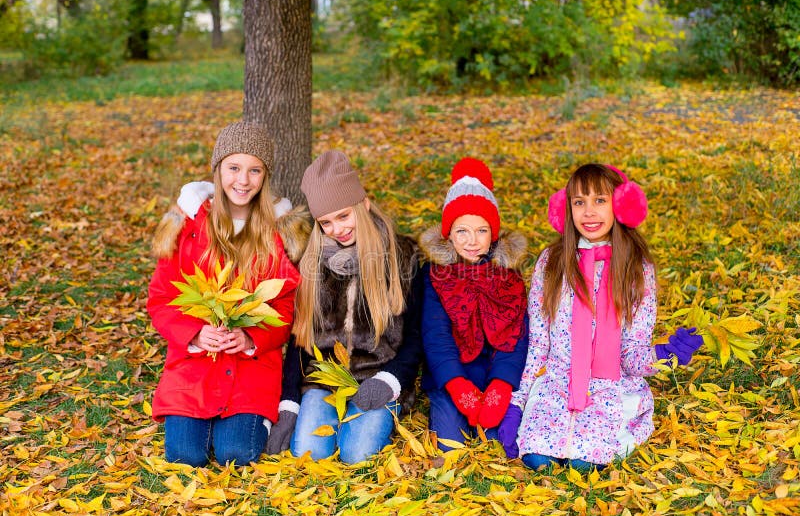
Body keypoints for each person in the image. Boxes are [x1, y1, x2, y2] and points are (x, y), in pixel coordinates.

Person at [498, 163, 703, 471]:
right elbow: (539, 343)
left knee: (584, 464)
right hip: (556, 383)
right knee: (538, 460)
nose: (589, 212)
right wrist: (518, 402)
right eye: (579, 202)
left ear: (621, 205)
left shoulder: (637, 269)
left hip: (611, 388)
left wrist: (665, 355)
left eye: (600, 201)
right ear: (566, 209)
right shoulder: (552, 262)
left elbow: (632, 355)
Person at [147, 122, 302, 467]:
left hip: (250, 366)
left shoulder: (275, 233)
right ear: (218, 170)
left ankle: (246, 421)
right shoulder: (188, 228)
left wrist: (250, 337)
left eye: (254, 170)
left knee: (237, 453)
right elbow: (160, 299)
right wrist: (195, 333)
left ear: (265, 176)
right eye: (234, 168)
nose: (243, 181)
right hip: (195, 366)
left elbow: (286, 304)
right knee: (185, 456)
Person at [264, 150, 424, 464]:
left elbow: (416, 336)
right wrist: (290, 403)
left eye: (343, 216)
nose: (337, 228)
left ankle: (376, 411)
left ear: (362, 205)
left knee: (357, 454)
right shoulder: (311, 263)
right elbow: (299, 343)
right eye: (326, 222)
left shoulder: (402, 257)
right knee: (310, 452)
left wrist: (390, 381)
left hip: (377, 379)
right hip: (325, 380)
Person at [418, 158, 529, 451]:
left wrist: (501, 386)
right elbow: (436, 337)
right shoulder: (435, 277)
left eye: (481, 230)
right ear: (449, 235)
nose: (472, 241)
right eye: (462, 231)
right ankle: (452, 400)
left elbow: (516, 335)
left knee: (495, 439)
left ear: (493, 234)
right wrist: (457, 385)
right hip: (453, 375)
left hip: (494, 375)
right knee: (450, 442)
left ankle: (497, 396)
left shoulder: (509, 277)